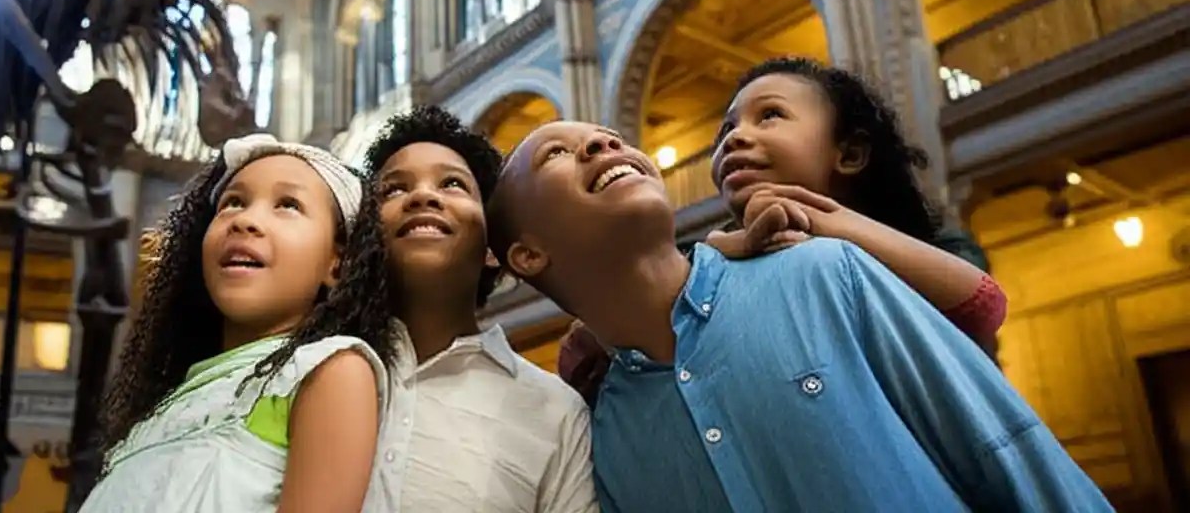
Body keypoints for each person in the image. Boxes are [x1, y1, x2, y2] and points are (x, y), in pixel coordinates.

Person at [488, 120, 1112, 511]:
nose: (605, 142)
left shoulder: (826, 273)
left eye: (612, 137)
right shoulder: (606, 432)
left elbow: (1006, 449)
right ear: (527, 254)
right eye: (556, 155)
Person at [559, 57, 1007, 404]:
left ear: (849, 154)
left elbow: (980, 305)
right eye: (727, 129)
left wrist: (815, 218)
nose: (734, 138)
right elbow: (580, 353)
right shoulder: (712, 267)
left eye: (770, 115)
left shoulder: (936, 246)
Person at [87, 134, 394, 512]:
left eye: (288, 205)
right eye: (233, 203)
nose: (246, 221)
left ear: (338, 263)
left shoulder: (329, 370)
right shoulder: (166, 399)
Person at [363, 106, 597, 512]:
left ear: (492, 248)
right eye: (393, 189)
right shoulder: (318, 368)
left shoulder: (554, 410)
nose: (422, 195)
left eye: (452, 183)